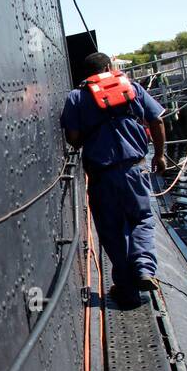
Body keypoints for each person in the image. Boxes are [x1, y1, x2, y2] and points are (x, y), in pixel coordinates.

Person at [60, 52, 168, 307]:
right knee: (141, 219)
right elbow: (157, 119)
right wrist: (160, 156)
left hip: (101, 176)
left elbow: (73, 138)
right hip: (134, 170)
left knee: (110, 231)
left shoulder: (76, 97)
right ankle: (143, 268)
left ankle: (127, 291)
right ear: (109, 68)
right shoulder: (132, 87)